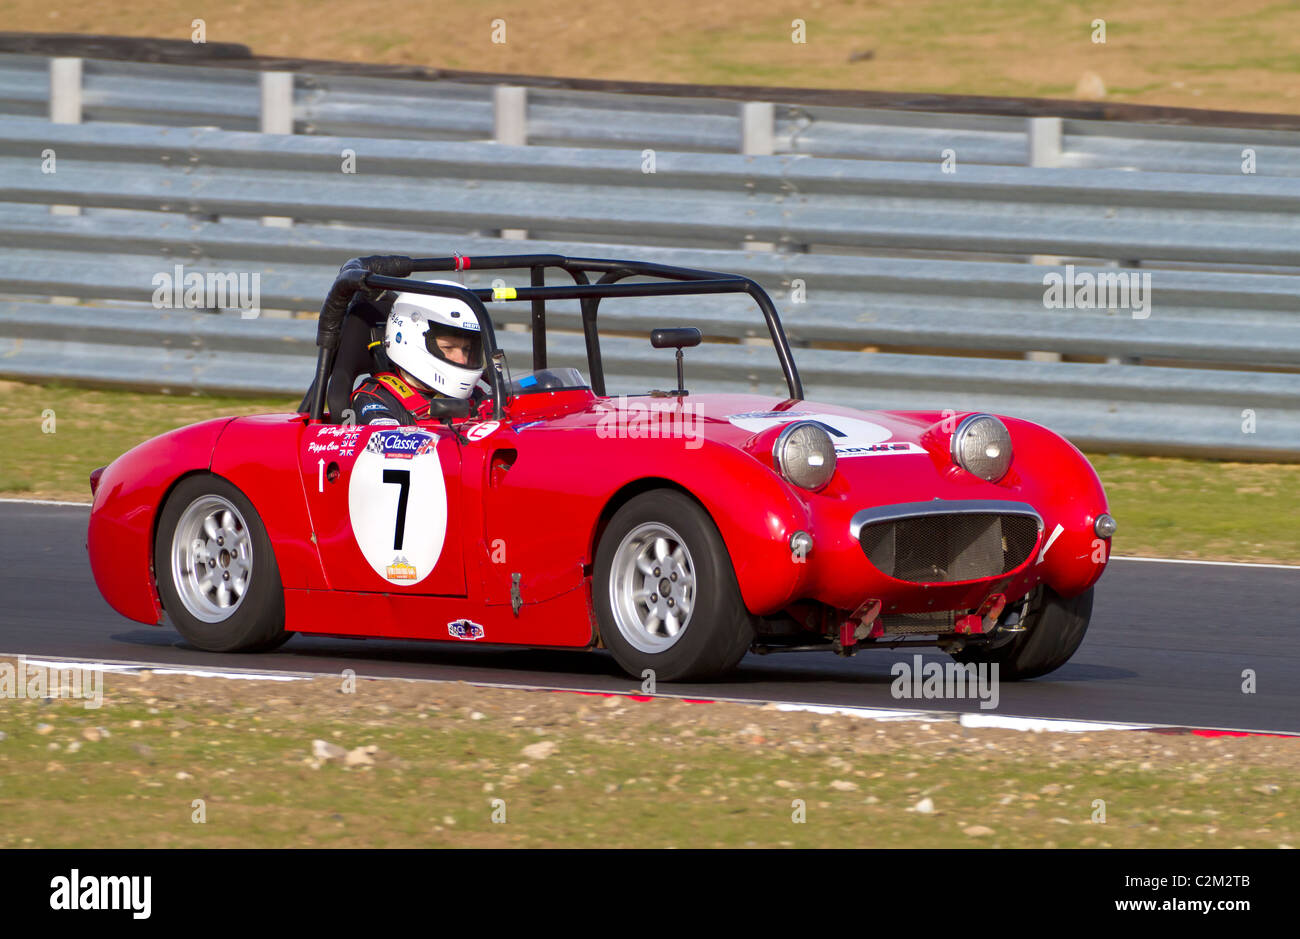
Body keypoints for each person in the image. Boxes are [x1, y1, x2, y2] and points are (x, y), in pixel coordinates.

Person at [351, 280, 485, 426]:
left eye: (466, 350)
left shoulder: (476, 398)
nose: (462, 359)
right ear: (410, 340)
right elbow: (387, 443)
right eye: (448, 348)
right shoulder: (375, 399)